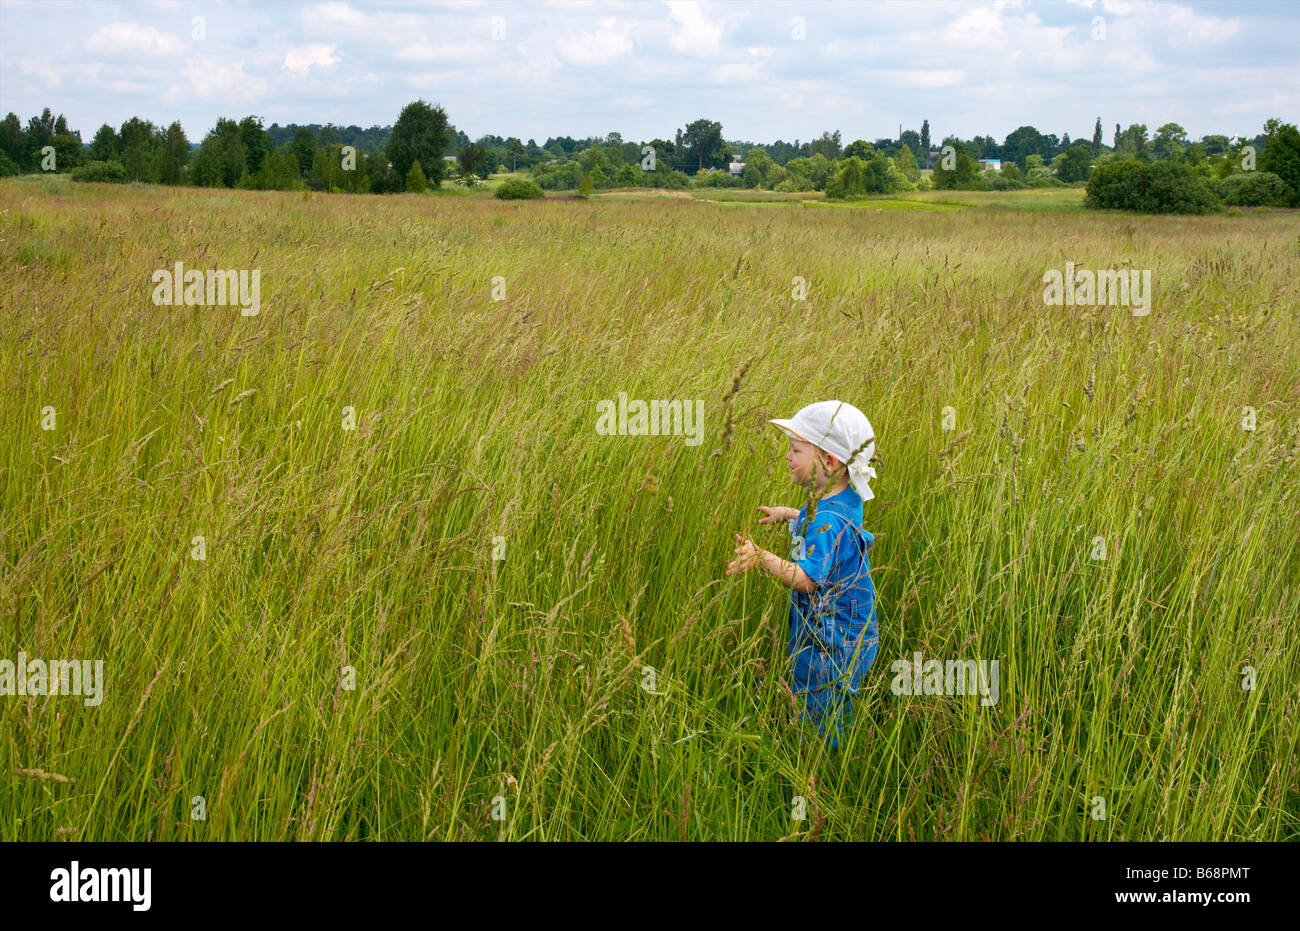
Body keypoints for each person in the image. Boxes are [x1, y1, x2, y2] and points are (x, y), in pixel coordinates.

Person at [726, 400, 879, 750]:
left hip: (833, 635)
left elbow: (806, 579)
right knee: (829, 698)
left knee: (819, 701)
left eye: (796, 450)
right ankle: (822, 741)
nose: (788, 457)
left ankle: (819, 760)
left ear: (829, 462)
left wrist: (762, 558)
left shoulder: (829, 520)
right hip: (848, 624)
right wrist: (790, 514)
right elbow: (820, 524)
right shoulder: (840, 498)